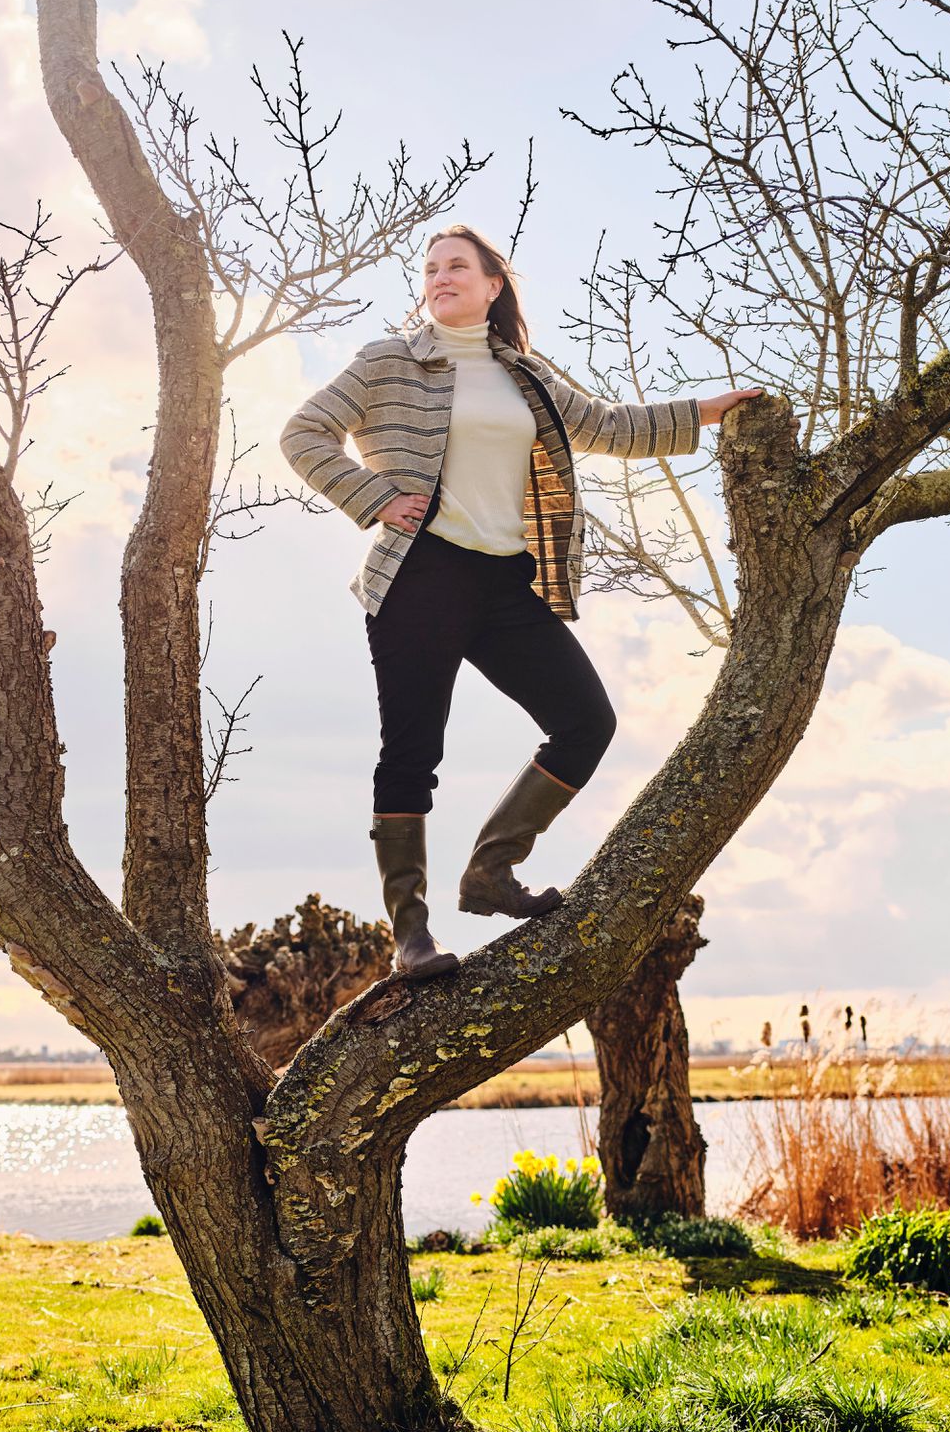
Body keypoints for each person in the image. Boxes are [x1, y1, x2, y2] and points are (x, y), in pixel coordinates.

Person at [281, 224, 764, 979]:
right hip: (421, 576)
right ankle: (411, 937)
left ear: (492, 286)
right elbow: (304, 433)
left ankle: (490, 872)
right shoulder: (387, 361)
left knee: (585, 722)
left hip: (504, 580)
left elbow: (606, 425)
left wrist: (704, 409)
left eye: (457, 267)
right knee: (413, 753)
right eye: (431, 269)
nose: (441, 278)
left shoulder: (523, 374)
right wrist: (374, 498)